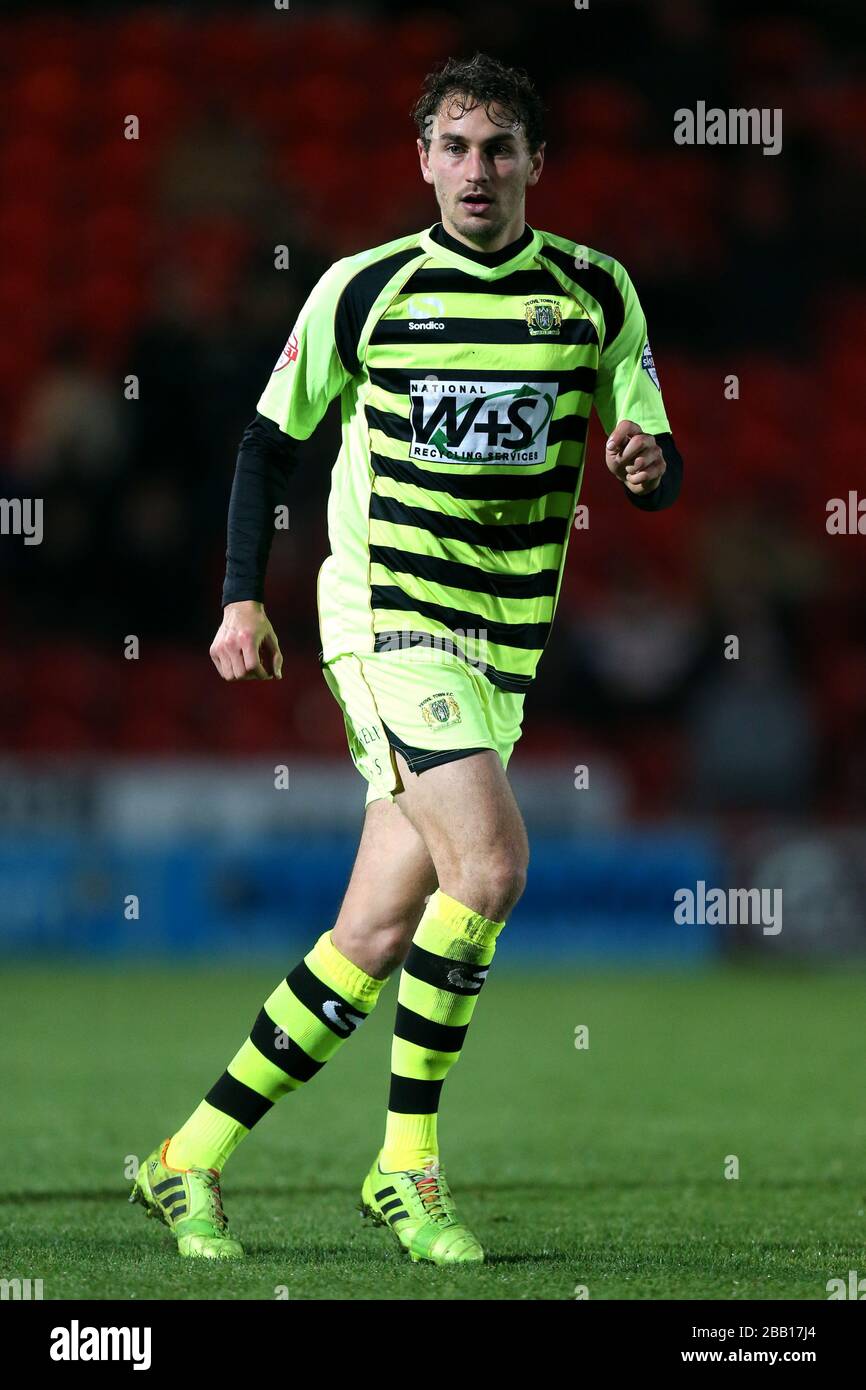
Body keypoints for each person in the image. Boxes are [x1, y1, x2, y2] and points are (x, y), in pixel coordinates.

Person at [130, 52, 683, 1266]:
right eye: (452, 145)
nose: (474, 169)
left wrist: (644, 470)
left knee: (374, 936)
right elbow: (266, 446)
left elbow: (649, 446)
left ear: (535, 161)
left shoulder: (594, 292)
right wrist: (238, 599)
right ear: (420, 159)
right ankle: (404, 1168)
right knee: (486, 871)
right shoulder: (365, 287)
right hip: (386, 620)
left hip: (502, 646)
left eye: (497, 148)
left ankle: (186, 1159)